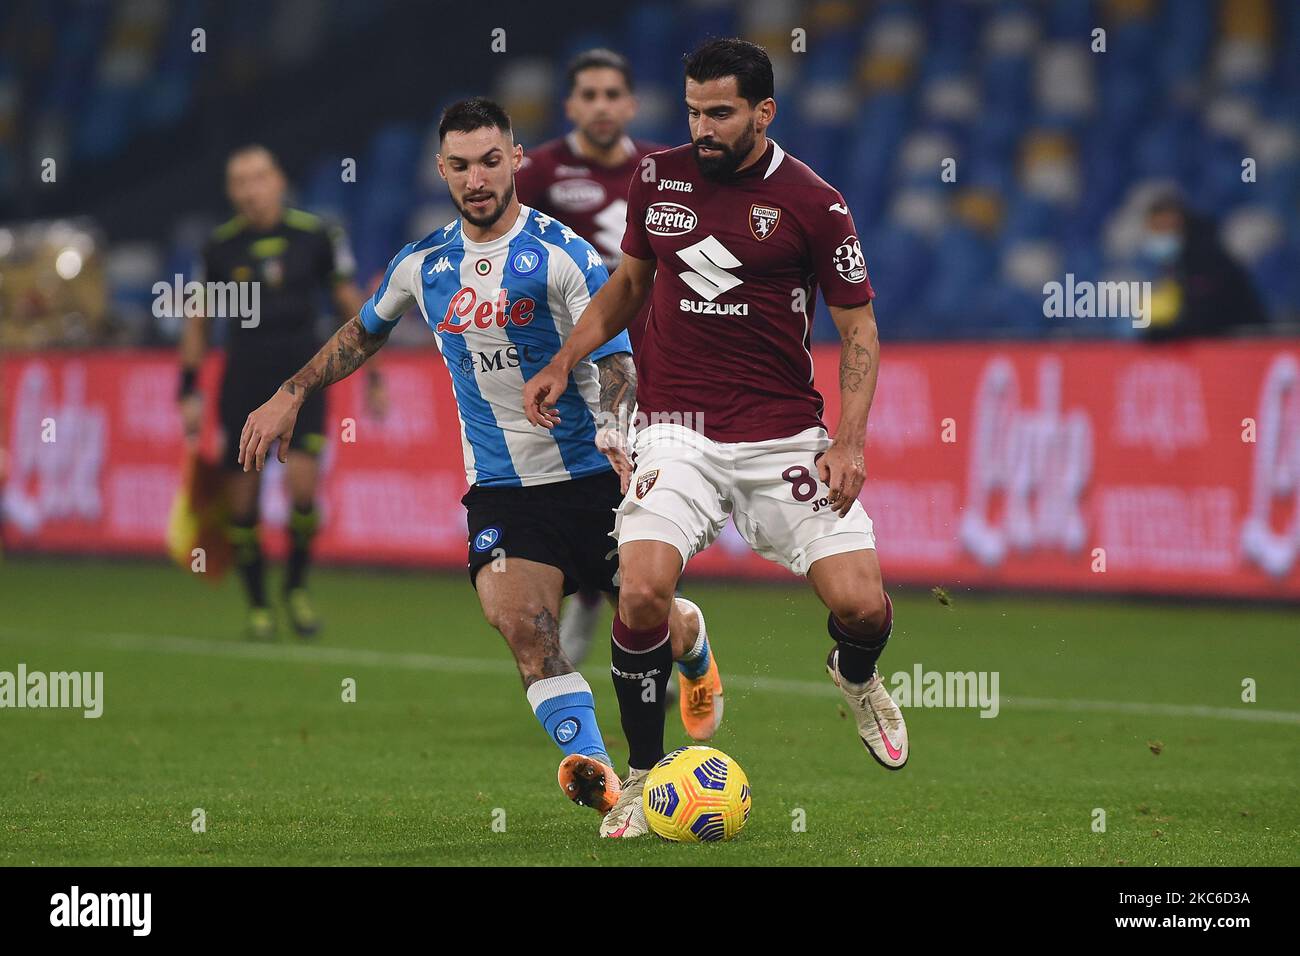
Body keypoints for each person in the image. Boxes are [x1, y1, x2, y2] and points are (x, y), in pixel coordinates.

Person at [235, 98, 717, 816]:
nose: (477, 178)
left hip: (595, 478)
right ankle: (599, 773)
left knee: (653, 618)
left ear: (517, 159)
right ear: (442, 171)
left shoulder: (564, 253)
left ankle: (695, 644)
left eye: (491, 160)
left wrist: (619, 433)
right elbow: (364, 331)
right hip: (503, 490)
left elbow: (616, 361)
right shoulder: (422, 263)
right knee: (522, 624)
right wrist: (293, 389)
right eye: (460, 165)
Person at [524, 39, 908, 838]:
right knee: (638, 591)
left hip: (783, 437)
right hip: (678, 432)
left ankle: (854, 673)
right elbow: (628, 284)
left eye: (721, 113)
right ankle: (639, 776)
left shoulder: (815, 202)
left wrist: (850, 440)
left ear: (765, 112)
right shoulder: (657, 177)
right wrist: (568, 357)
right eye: (694, 110)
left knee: (864, 608)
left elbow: (859, 326)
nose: (702, 126)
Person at [517, 51, 722, 731]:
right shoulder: (538, 174)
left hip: (651, 360)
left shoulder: (665, 171)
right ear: (571, 106)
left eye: (614, 94)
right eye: (589, 95)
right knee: (586, 494)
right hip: (569, 363)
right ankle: (598, 598)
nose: (602, 105)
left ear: (631, 104)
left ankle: (660, 647)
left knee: (646, 492)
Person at [179, 145, 383, 640]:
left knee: (303, 490)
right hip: (243, 379)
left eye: (259, 177)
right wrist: (188, 388)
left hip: (302, 379)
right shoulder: (220, 247)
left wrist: (375, 374)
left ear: (278, 181)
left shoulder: (315, 236)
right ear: (231, 191)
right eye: (240, 180)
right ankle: (257, 605)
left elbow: (346, 304)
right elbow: (199, 320)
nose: (250, 188)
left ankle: (295, 587)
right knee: (243, 501)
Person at [1140, 191, 1268, 340]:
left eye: (1164, 228)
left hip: (1244, 344)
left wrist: (1167, 333)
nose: (1159, 235)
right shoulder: (1177, 263)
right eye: (1155, 229)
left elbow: (1204, 316)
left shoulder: (1206, 260)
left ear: (1182, 225)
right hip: (1218, 342)